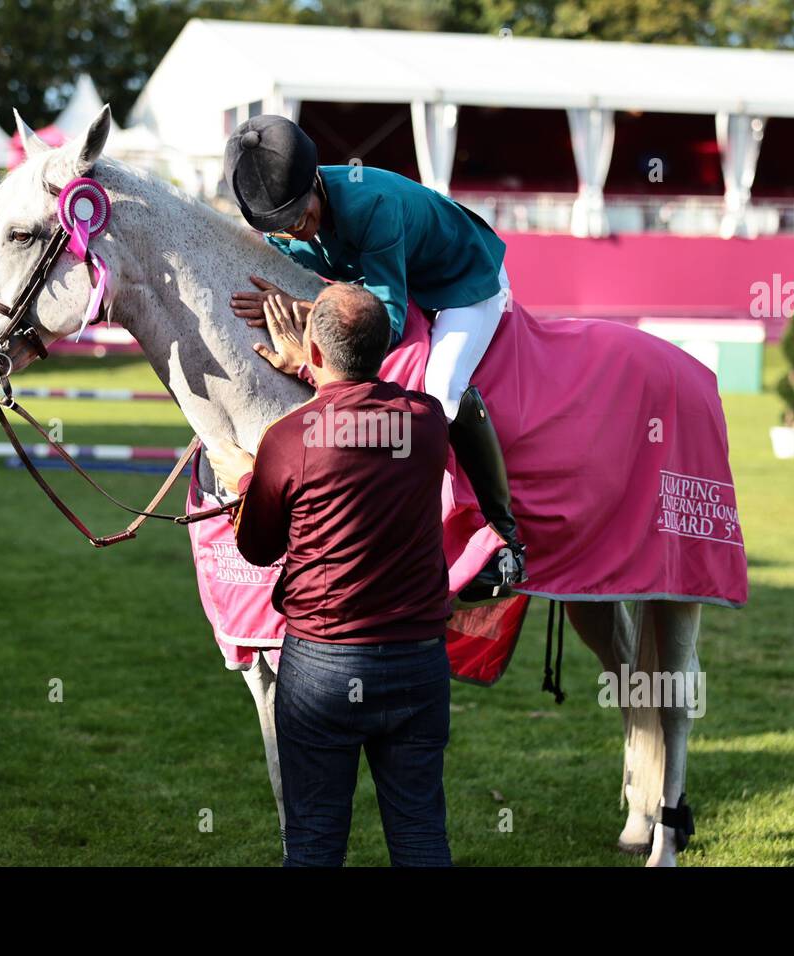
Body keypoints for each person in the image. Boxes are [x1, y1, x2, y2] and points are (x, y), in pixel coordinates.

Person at [222, 114, 524, 603]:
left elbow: (386, 321)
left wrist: (298, 308)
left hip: (462, 282)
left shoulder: (371, 204)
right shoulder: (281, 221)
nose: (298, 233)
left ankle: (506, 542)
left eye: (303, 216)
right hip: (399, 281)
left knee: (442, 389)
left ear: (316, 180)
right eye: (283, 228)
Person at [204, 282, 454, 867]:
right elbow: (363, 427)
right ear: (387, 346)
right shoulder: (427, 421)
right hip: (418, 661)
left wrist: (246, 479)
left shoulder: (287, 439)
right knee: (421, 837)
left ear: (312, 353)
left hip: (323, 663)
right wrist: (319, 376)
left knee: (314, 840)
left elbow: (260, 548)